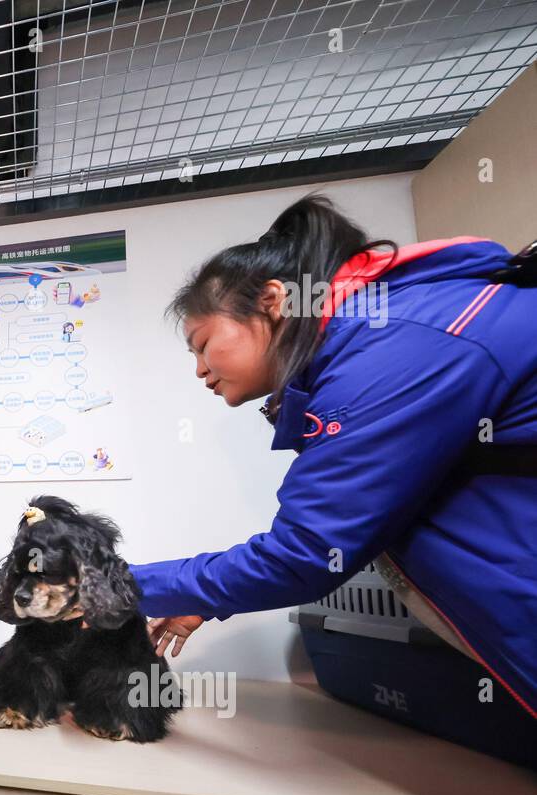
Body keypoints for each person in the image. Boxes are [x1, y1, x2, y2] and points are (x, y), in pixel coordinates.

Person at [131, 195, 537, 726]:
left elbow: (306, 552)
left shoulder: (392, 345)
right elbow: (340, 532)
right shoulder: (384, 334)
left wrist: (110, 584)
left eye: (203, 344)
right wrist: (204, 597)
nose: (200, 370)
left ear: (274, 301)